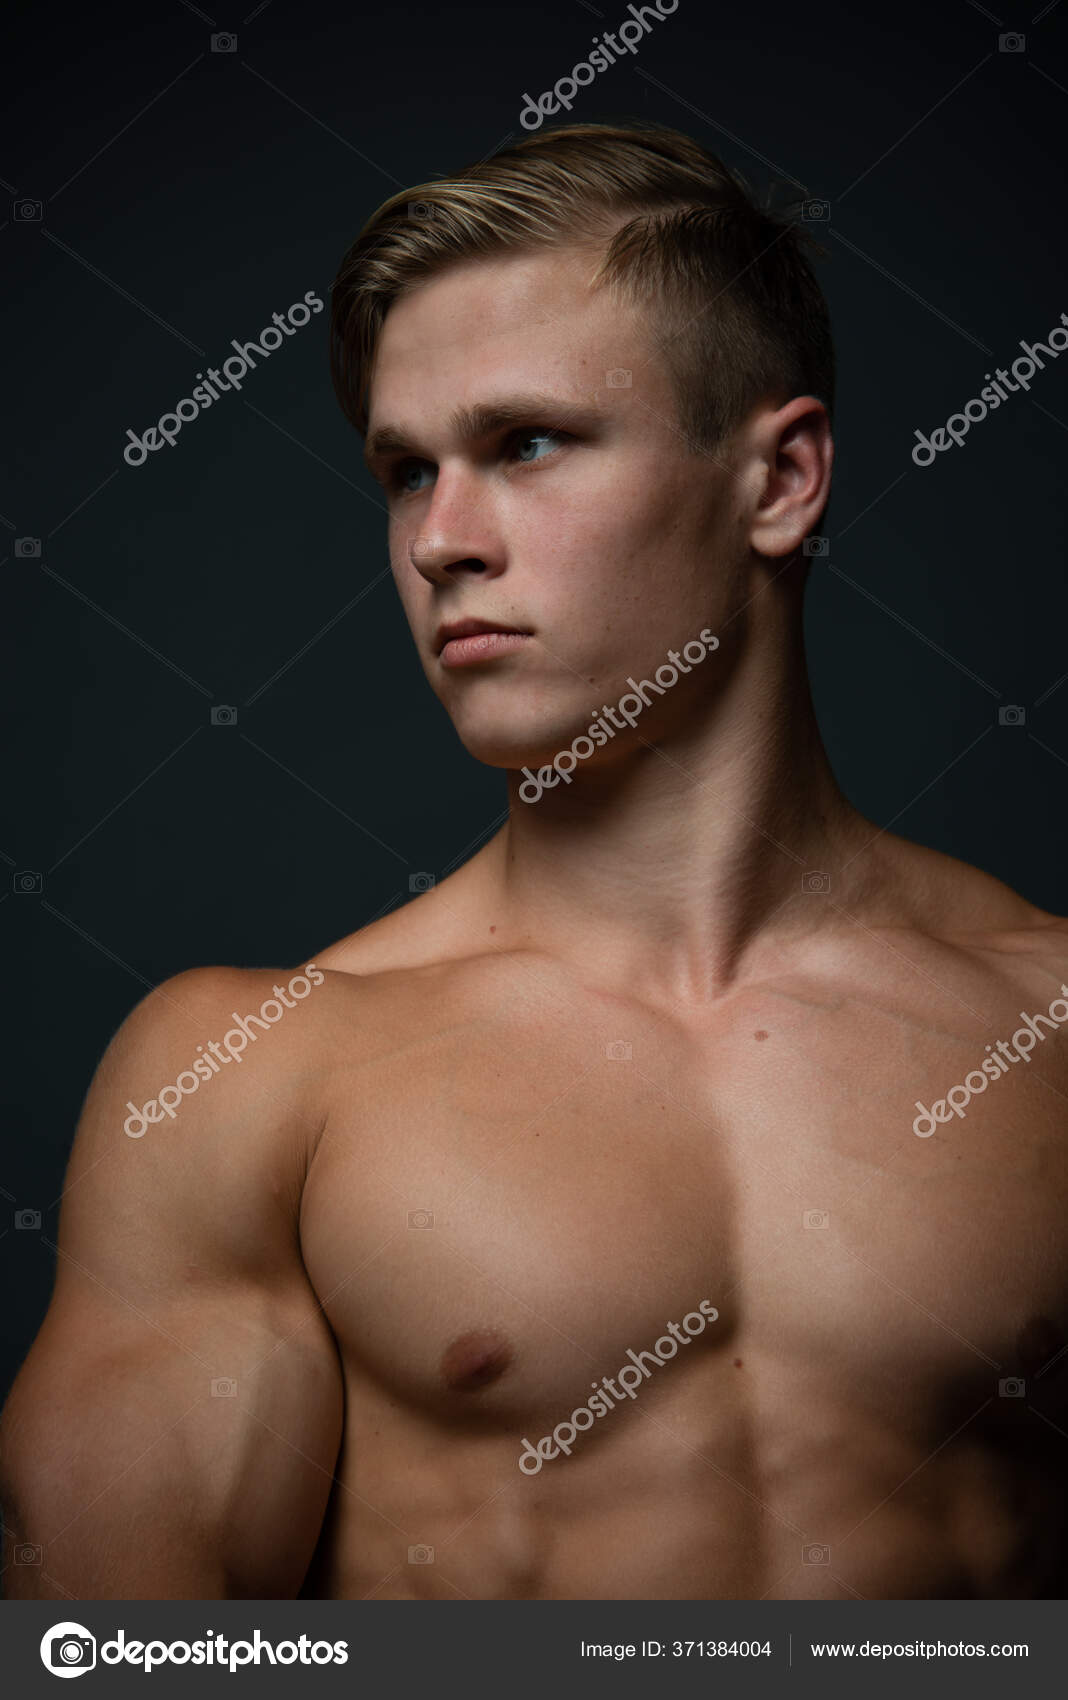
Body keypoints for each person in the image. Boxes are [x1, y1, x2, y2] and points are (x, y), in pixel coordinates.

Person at [3, 122, 1067, 1602]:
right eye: (404, 471)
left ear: (781, 480)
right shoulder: (252, 1079)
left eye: (526, 444)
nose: (439, 540)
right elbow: (120, 1665)